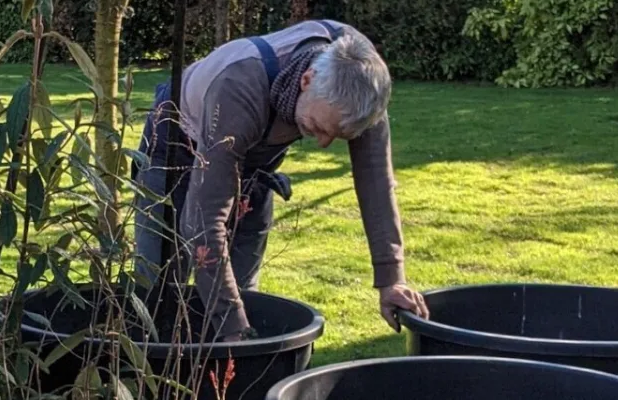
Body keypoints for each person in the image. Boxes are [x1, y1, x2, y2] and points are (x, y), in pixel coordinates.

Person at [133, 19, 427, 340]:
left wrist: (391, 278)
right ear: (306, 79)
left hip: (254, 163)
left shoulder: (362, 83)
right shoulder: (240, 85)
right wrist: (235, 330)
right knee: (160, 292)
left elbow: (376, 182)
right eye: (318, 126)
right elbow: (203, 224)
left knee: (247, 295)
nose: (324, 143)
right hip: (175, 148)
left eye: (338, 136)